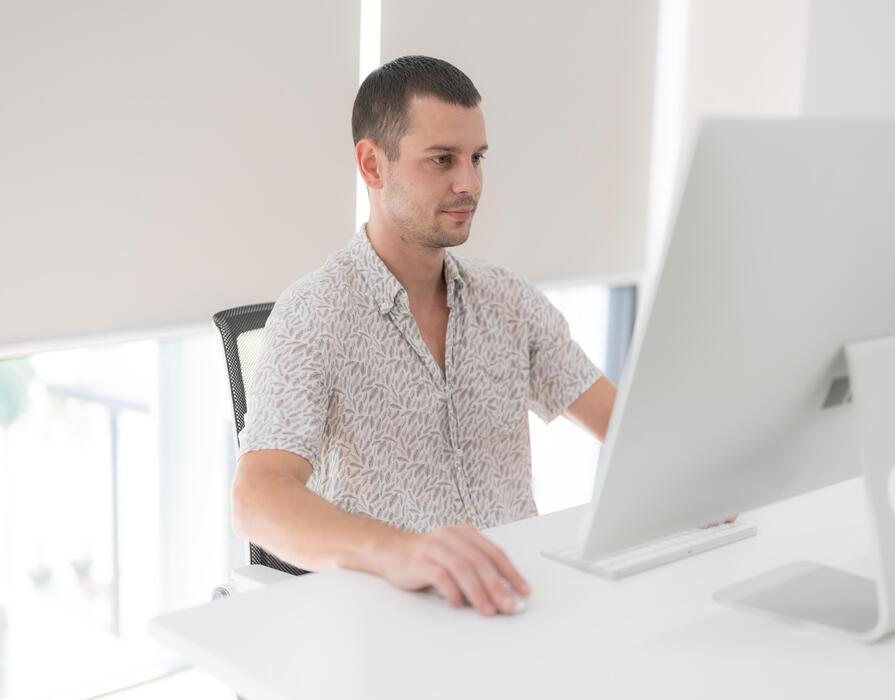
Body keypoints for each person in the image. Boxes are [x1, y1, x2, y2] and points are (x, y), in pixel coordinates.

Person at [232, 55, 617, 616]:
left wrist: (694, 482)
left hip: (518, 603)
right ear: (372, 164)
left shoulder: (507, 300)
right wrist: (400, 552)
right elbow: (257, 499)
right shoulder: (314, 314)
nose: (469, 183)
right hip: (393, 623)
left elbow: (624, 427)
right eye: (442, 160)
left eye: (476, 158)